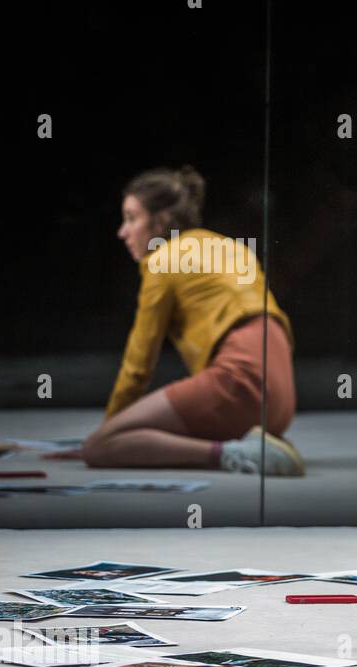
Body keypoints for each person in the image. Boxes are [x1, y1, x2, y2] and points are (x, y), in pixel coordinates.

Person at [57, 166, 304, 475]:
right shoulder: (227, 245)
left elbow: (138, 364)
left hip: (241, 381)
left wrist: (112, 431)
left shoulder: (162, 259)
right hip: (280, 400)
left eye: (132, 218)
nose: (123, 232)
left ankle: (230, 454)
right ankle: (248, 448)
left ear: (160, 221)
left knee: (99, 446)